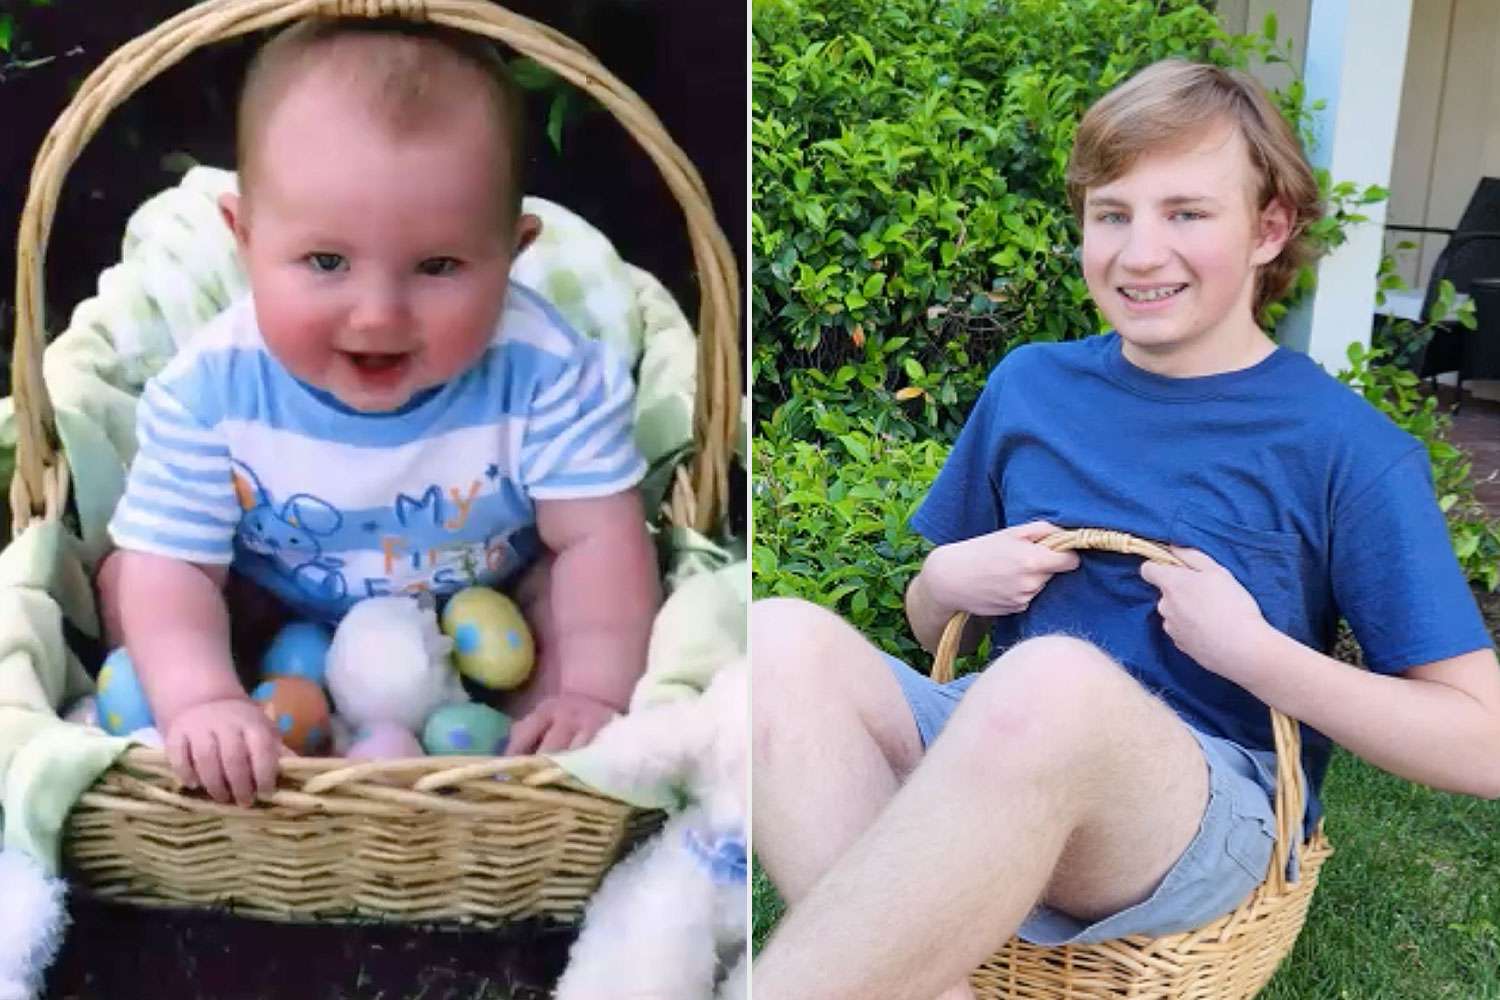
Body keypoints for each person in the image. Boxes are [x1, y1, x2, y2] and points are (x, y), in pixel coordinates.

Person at [751, 59, 1500, 1000]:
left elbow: (1482, 743)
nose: (1141, 254)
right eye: (1112, 214)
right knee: (774, 638)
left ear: (1270, 229)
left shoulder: (1346, 447)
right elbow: (931, 625)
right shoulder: (1032, 385)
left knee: (1050, 679)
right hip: (998, 743)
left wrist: (1257, 655)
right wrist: (944, 584)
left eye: (1186, 213)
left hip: (1197, 807)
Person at [97, 18, 660, 806]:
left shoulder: (544, 372)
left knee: (582, 596)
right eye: (326, 261)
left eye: (438, 266)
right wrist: (204, 700)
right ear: (243, 239)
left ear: (513, 251)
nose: (379, 314)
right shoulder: (210, 391)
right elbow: (178, 566)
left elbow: (598, 537)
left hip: (483, 606)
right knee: (139, 580)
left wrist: (595, 689)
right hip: (273, 601)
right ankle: (247, 728)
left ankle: (517, 751)